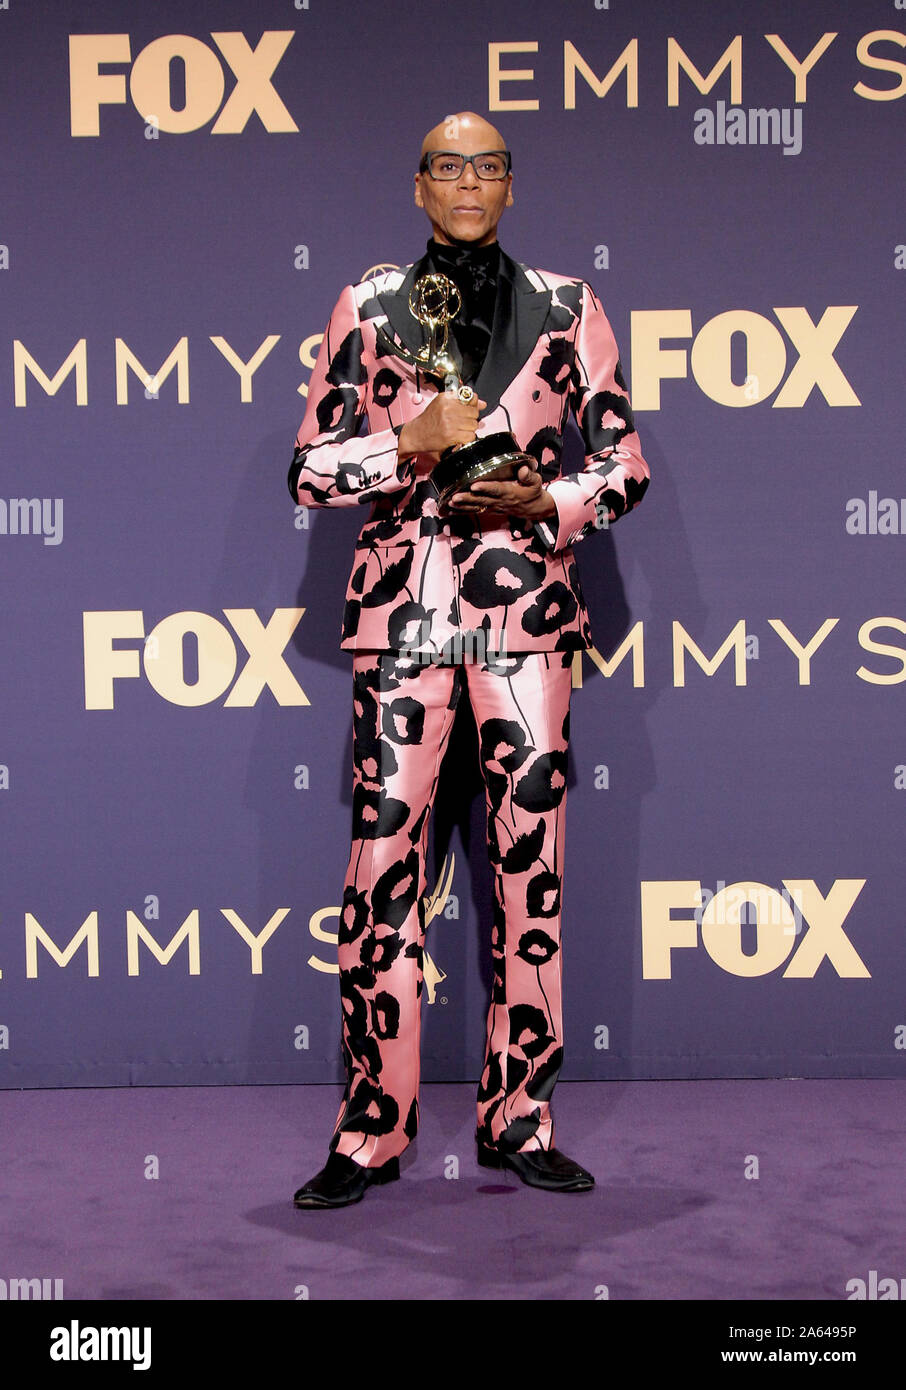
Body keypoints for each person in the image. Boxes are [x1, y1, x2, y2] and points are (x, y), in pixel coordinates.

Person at [288, 112, 650, 1208]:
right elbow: (308, 471)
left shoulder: (572, 308)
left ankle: (520, 1116)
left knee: (528, 875)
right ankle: (369, 1130)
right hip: (400, 624)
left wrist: (552, 497)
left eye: (487, 166)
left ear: (508, 184)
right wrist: (407, 441)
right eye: (448, 165)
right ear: (418, 185)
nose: (467, 182)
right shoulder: (366, 304)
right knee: (378, 876)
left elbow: (626, 461)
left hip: (530, 620)